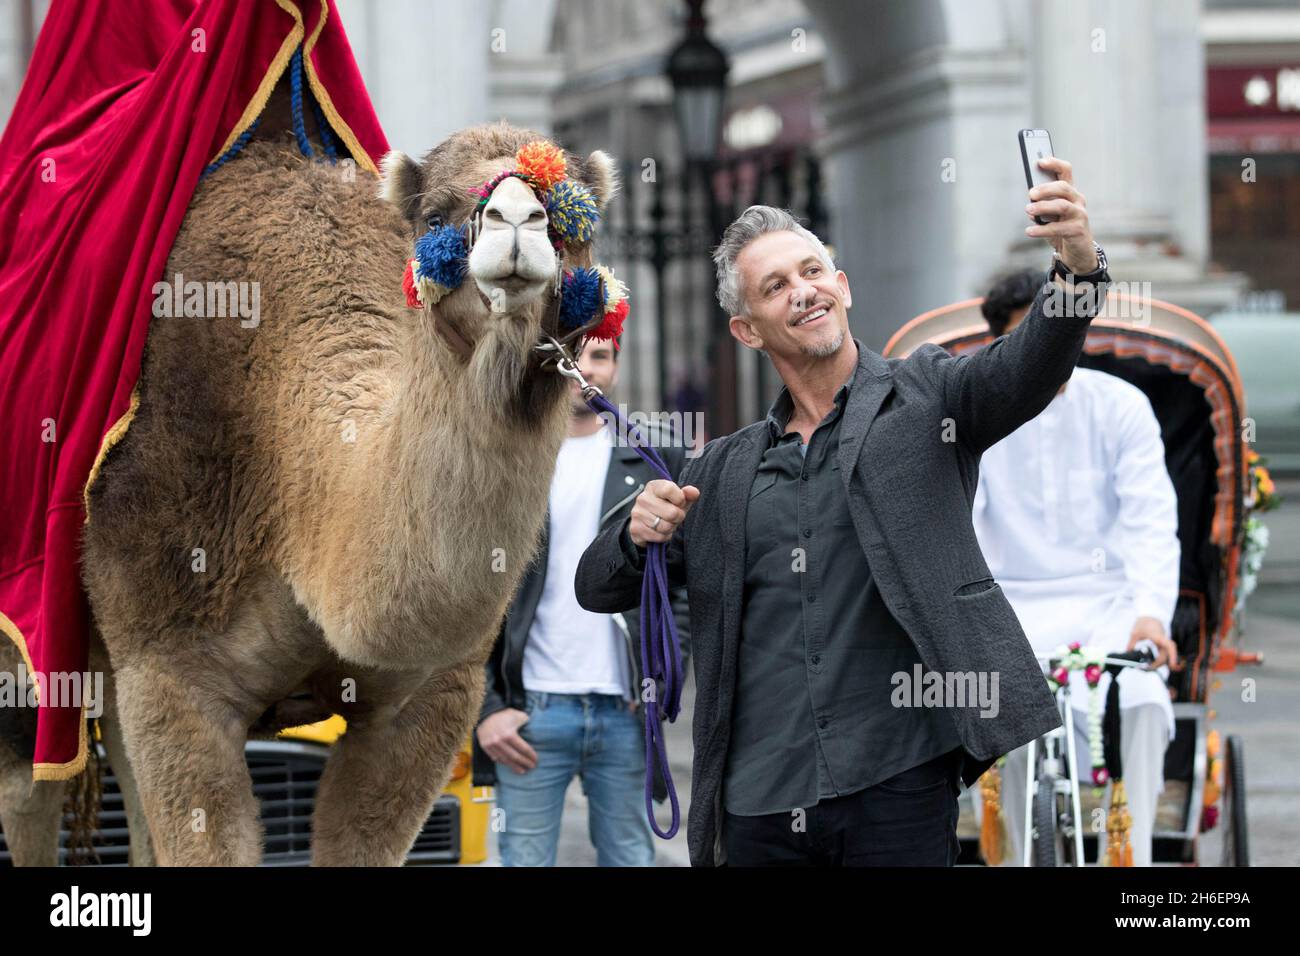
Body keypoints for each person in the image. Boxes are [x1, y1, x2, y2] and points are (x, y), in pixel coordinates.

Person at [576, 153, 1114, 867]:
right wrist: (636, 532)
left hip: (898, 783)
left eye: (811, 271)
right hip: (760, 799)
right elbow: (597, 586)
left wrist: (1077, 268)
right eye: (775, 287)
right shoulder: (721, 472)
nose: (802, 292)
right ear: (748, 330)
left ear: (842, 286)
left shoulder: (930, 398)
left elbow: (1029, 367)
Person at [971, 269, 1180, 866]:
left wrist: (1148, 616)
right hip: (1007, 607)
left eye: (1057, 336)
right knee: (993, 708)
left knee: (1139, 697)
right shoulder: (975, 416)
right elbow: (961, 525)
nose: (1046, 356)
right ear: (1001, 346)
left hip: (1109, 607)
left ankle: (1130, 860)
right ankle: (1008, 856)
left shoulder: (1121, 407)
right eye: (1031, 341)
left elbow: (1149, 520)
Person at [472, 336, 692, 866]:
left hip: (625, 709)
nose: (582, 369)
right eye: (569, 355)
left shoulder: (653, 455)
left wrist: (663, 669)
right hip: (531, 712)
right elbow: (469, 597)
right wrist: (488, 708)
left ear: (615, 366)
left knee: (632, 858)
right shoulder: (503, 459)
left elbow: (680, 585)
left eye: (599, 356)